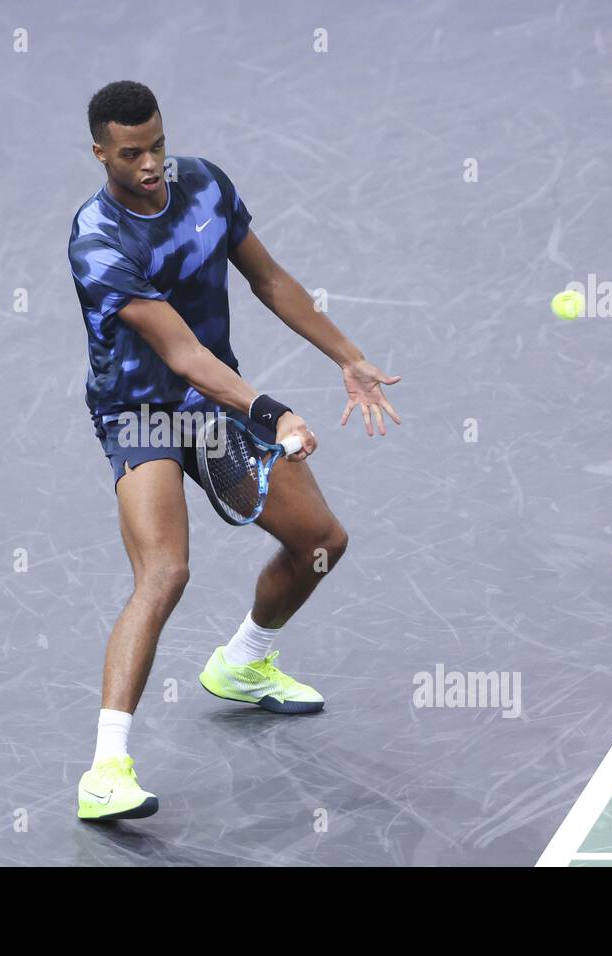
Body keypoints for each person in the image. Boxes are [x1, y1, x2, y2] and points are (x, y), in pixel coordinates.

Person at [68, 80, 401, 821]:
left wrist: (344, 355)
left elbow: (269, 278)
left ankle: (244, 664)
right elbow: (182, 355)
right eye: (131, 153)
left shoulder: (205, 183)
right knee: (165, 572)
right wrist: (276, 412)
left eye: (156, 144)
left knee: (320, 541)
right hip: (142, 415)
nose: (151, 163)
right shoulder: (97, 239)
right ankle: (106, 770)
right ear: (100, 154)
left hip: (215, 403)